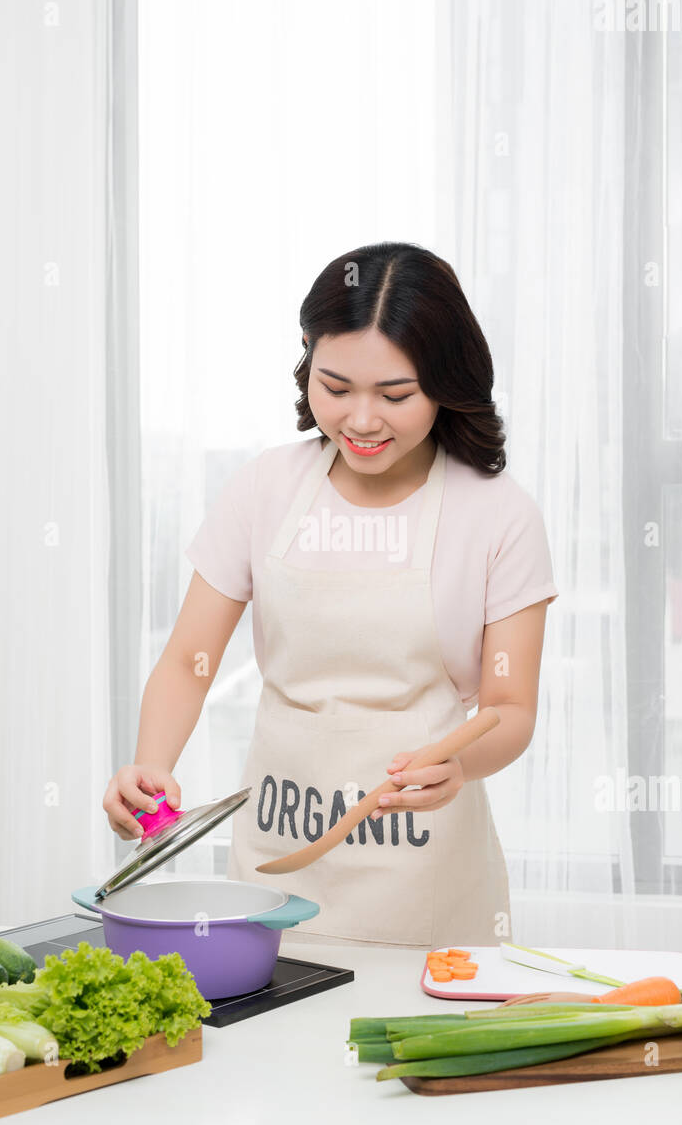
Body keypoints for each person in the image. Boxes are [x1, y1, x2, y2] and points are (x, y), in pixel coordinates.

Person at [104, 241, 558, 950]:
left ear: (444, 380)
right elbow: (189, 658)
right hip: (274, 867)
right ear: (306, 362)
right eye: (335, 387)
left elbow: (509, 708)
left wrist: (459, 764)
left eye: (395, 395)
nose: (361, 420)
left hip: (427, 876)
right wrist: (149, 765)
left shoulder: (498, 514)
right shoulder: (266, 489)